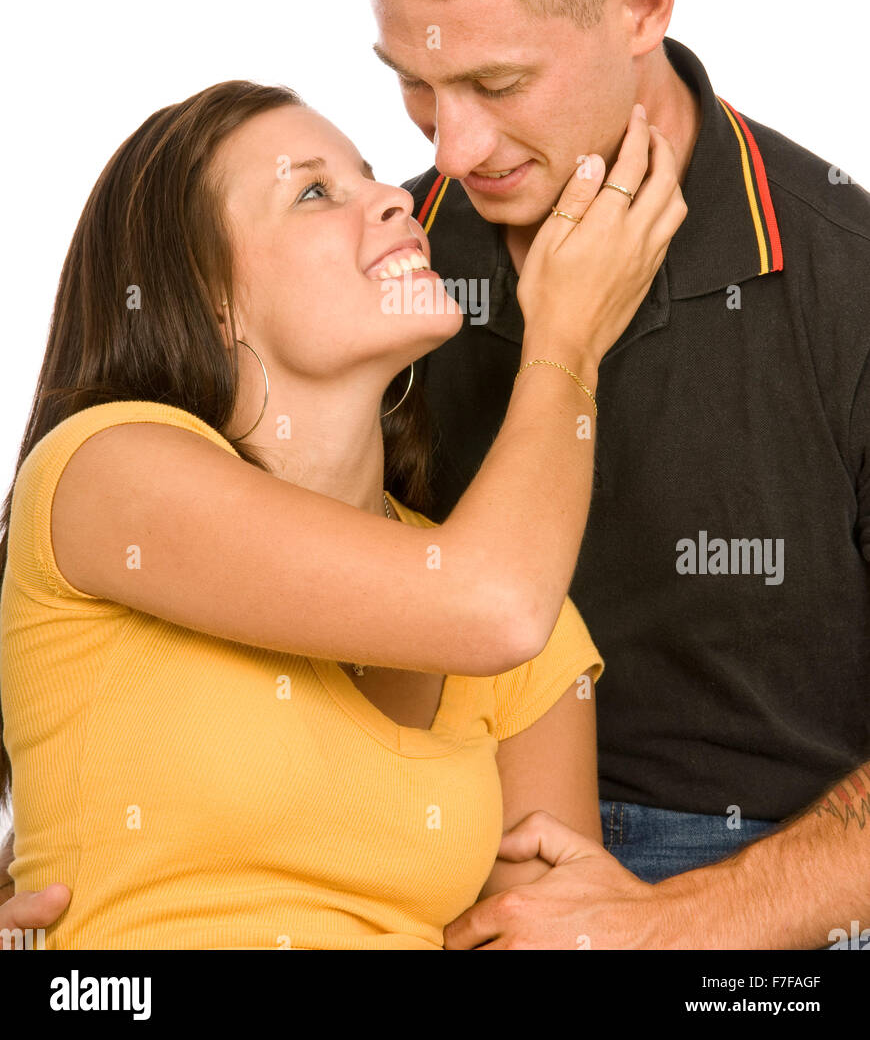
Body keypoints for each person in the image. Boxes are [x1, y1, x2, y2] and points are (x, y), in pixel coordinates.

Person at [353, 0, 870, 949]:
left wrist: (664, 926)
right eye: (416, 87)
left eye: (496, 80)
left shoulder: (845, 274)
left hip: (772, 887)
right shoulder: (377, 257)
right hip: (435, 859)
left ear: (641, 5)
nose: (457, 147)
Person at [0, 79, 683, 948]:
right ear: (204, 294)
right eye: (314, 191)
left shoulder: (524, 616)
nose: (399, 196)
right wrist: (569, 338)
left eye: (371, 176)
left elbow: (554, 930)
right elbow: (490, 605)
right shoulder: (104, 470)